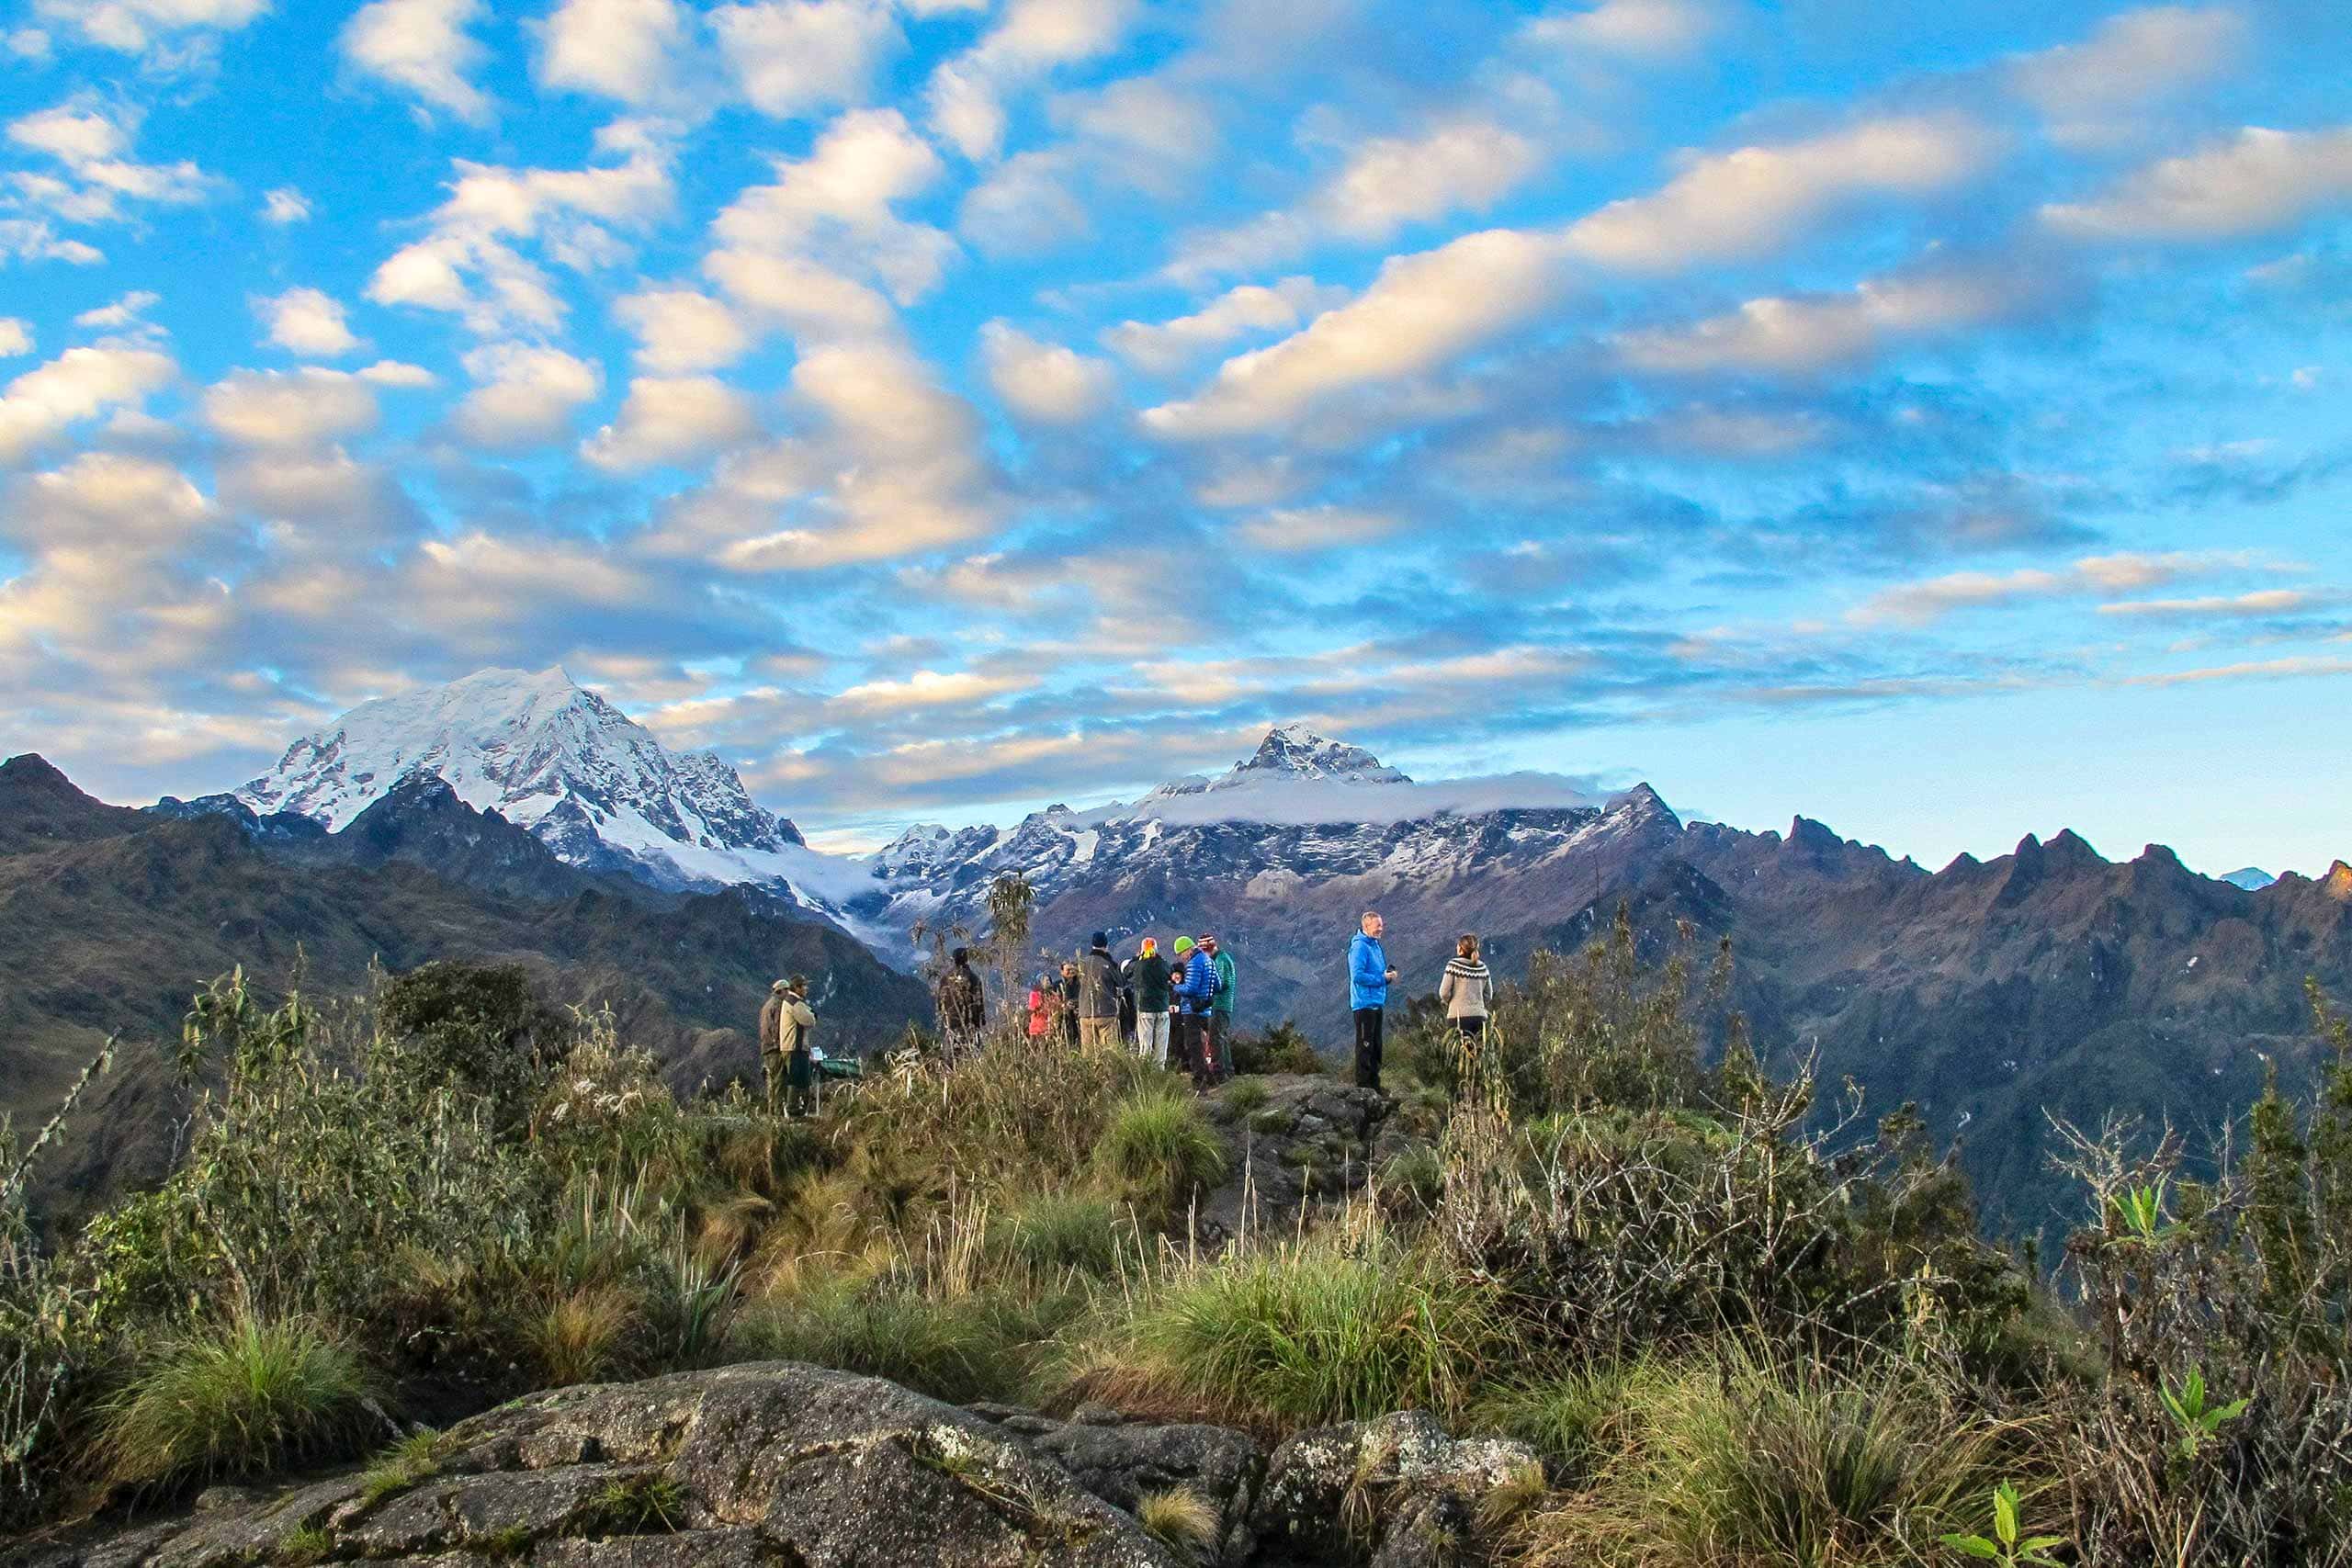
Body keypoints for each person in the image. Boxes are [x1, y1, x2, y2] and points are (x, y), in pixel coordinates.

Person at [1348, 911, 1398, 1091]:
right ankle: (1363, 1086)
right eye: (1377, 926)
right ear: (1366, 926)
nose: (1380, 929)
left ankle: (1375, 1085)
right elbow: (1358, 976)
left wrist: (1387, 976)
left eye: (1381, 925)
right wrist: (1382, 979)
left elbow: (1374, 972)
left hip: (1377, 1001)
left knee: (1376, 1046)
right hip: (1364, 1003)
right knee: (1365, 1045)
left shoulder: (1375, 946)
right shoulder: (1360, 947)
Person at [760, 975, 818, 1117]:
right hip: (776, 1049)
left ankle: (773, 1112)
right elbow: (777, 1028)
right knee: (782, 1082)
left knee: (774, 1083)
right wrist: (779, 1044)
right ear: (781, 991)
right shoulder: (779, 1005)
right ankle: (779, 1113)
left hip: (768, 1048)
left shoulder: (767, 1006)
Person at [1173, 934, 1219, 1088]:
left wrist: (1176, 988)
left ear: (1187, 950)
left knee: (1193, 1045)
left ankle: (1199, 1080)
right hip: (1206, 1008)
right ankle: (1212, 1077)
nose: (1181, 958)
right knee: (1206, 1042)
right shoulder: (1209, 961)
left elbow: (1190, 988)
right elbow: (1218, 985)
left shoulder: (1194, 963)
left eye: (1181, 954)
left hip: (1191, 1008)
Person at [1440, 932, 1494, 1054]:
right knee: (1478, 1056)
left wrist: (1452, 1002)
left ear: (1459, 948)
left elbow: (1444, 993)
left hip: (1458, 1018)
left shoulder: (1453, 966)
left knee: (1458, 1056)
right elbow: (1488, 995)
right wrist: (1477, 1003)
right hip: (1479, 1018)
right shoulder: (1483, 968)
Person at [936, 946, 985, 1060]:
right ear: (966, 959)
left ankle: (949, 1073)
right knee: (970, 1054)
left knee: (951, 1055)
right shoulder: (974, 979)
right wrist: (980, 1022)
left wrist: (944, 1017)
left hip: (951, 1022)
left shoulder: (945, 978)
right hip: (970, 1022)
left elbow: (940, 1002)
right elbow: (979, 1003)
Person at [1078, 932, 1122, 1053]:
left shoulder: (1082, 963)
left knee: (1089, 1053)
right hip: (1106, 1011)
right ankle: (1109, 1072)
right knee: (1110, 1051)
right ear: (1106, 945)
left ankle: (1088, 1072)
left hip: (1085, 1012)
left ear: (1092, 945)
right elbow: (1120, 982)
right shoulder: (1108, 963)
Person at [1132, 937, 1172, 1066]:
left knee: (1145, 1046)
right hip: (1162, 1008)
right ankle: (1159, 1071)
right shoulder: (1164, 964)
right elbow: (1170, 978)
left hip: (1145, 1009)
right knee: (1161, 1045)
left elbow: (1127, 972)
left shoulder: (1138, 965)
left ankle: (1145, 1072)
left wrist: (1136, 958)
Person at [1204, 933, 1236, 1085]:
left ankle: (1220, 1073)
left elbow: (1224, 983)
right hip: (1222, 1004)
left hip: (1219, 1004)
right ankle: (1228, 1071)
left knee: (1216, 1038)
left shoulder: (1221, 960)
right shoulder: (1221, 958)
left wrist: (1207, 989)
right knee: (1221, 1037)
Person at [1058, 960, 1081, 1045]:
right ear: (1062, 972)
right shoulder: (1058, 985)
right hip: (1064, 1019)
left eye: (1072, 969)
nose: (1071, 972)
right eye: (1068, 970)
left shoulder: (1081, 984)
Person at [1027, 973, 1054, 1039]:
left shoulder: (1053, 994)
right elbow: (1033, 1008)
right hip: (1037, 1029)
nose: (1048, 982)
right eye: (1046, 981)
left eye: (1049, 980)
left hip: (1049, 1028)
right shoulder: (1035, 994)